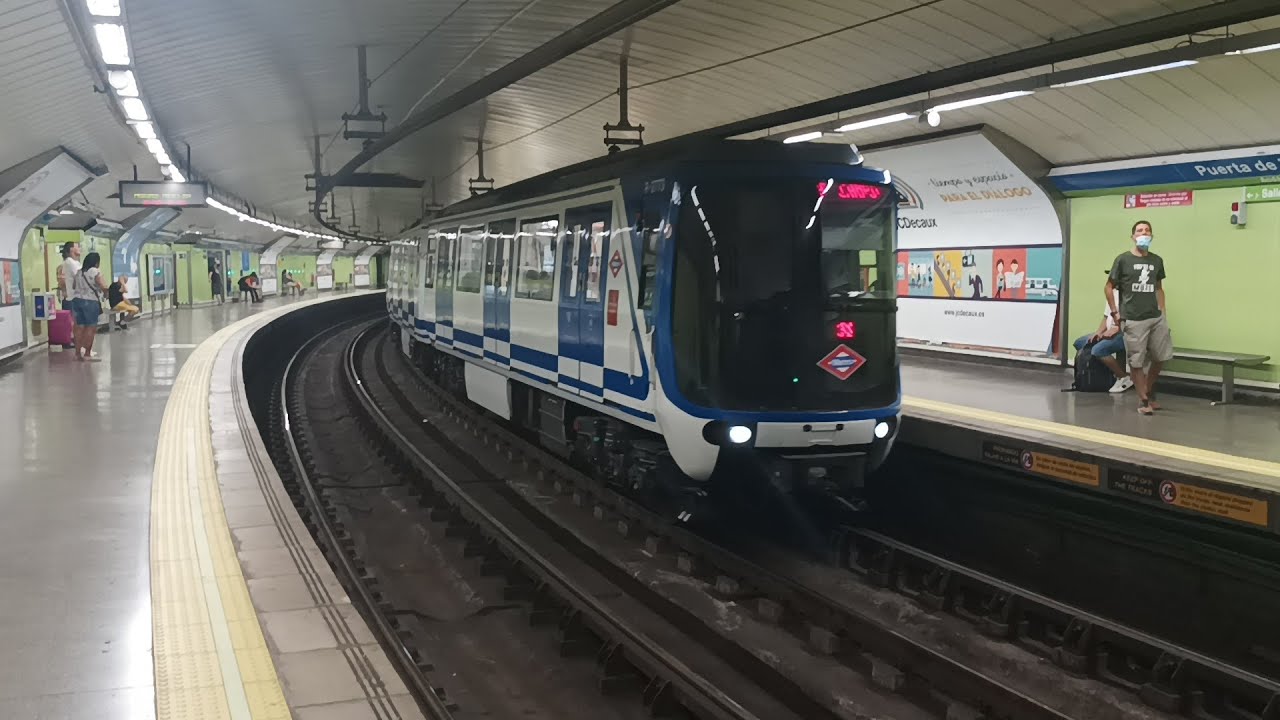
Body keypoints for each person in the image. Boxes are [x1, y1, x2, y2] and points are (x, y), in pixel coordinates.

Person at [1106, 220, 1172, 415]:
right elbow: (1108, 286)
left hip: (1155, 316)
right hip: (1134, 318)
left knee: (1161, 357)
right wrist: (1115, 312)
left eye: (1147, 230)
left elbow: (1159, 288)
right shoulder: (1123, 260)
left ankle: (1147, 390)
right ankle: (1143, 400)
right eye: (1140, 231)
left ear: (1152, 236)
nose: (1144, 233)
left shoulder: (1157, 260)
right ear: (1133, 236)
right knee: (1136, 361)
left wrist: (1162, 310)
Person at [1072, 285, 1133, 393]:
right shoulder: (1112, 293)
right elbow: (1106, 317)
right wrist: (1098, 333)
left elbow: (1132, 319)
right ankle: (1100, 377)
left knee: (1098, 350)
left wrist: (1117, 328)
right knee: (1080, 343)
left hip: (1125, 333)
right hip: (1108, 331)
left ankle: (1123, 377)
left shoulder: (1132, 295)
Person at [70, 251, 108, 361]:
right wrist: (106, 292)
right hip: (90, 301)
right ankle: (87, 353)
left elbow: (74, 286)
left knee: (79, 328)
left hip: (77, 301)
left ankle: (77, 354)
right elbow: (102, 285)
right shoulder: (95, 271)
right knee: (90, 328)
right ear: (96, 262)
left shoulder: (79, 272)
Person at [55, 241, 81, 350]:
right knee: (71, 319)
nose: (79, 248)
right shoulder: (68, 263)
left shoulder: (75, 263)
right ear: (71, 250)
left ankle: (74, 339)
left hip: (75, 296)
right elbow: (63, 281)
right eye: (77, 246)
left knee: (74, 319)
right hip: (70, 296)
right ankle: (70, 339)